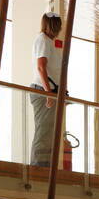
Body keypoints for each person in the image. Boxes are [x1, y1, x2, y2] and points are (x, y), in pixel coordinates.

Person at [28, 12, 63, 168]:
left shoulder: (48, 42)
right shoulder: (43, 40)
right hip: (43, 92)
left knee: (49, 132)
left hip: (49, 91)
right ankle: (38, 167)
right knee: (43, 131)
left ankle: (46, 167)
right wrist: (48, 92)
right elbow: (41, 67)